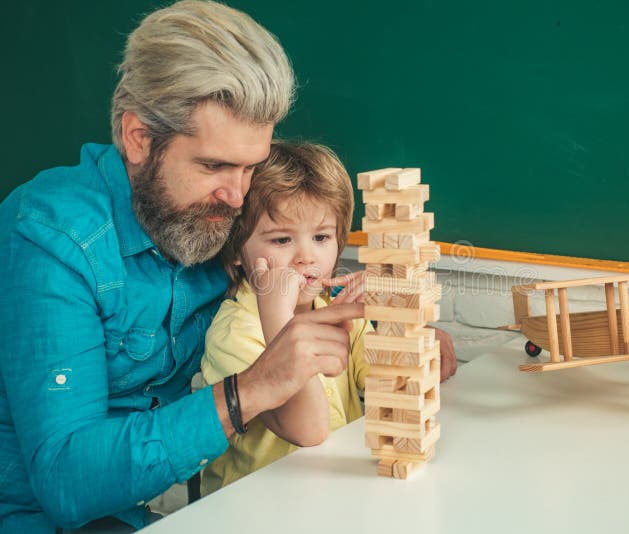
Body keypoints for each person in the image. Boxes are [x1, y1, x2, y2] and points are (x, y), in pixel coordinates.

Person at [0, 2, 366, 532]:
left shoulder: (211, 213)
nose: (238, 195)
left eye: (250, 167)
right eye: (214, 165)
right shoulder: (52, 239)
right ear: (138, 138)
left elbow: (295, 265)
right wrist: (251, 390)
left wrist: (396, 331)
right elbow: (65, 479)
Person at [199, 142, 371, 494]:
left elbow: (389, 382)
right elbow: (309, 431)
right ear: (235, 252)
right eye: (281, 240)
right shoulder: (234, 334)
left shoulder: (335, 311)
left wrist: (395, 308)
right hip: (256, 509)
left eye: (321, 237)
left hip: (335, 493)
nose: (306, 257)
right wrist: (278, 316)